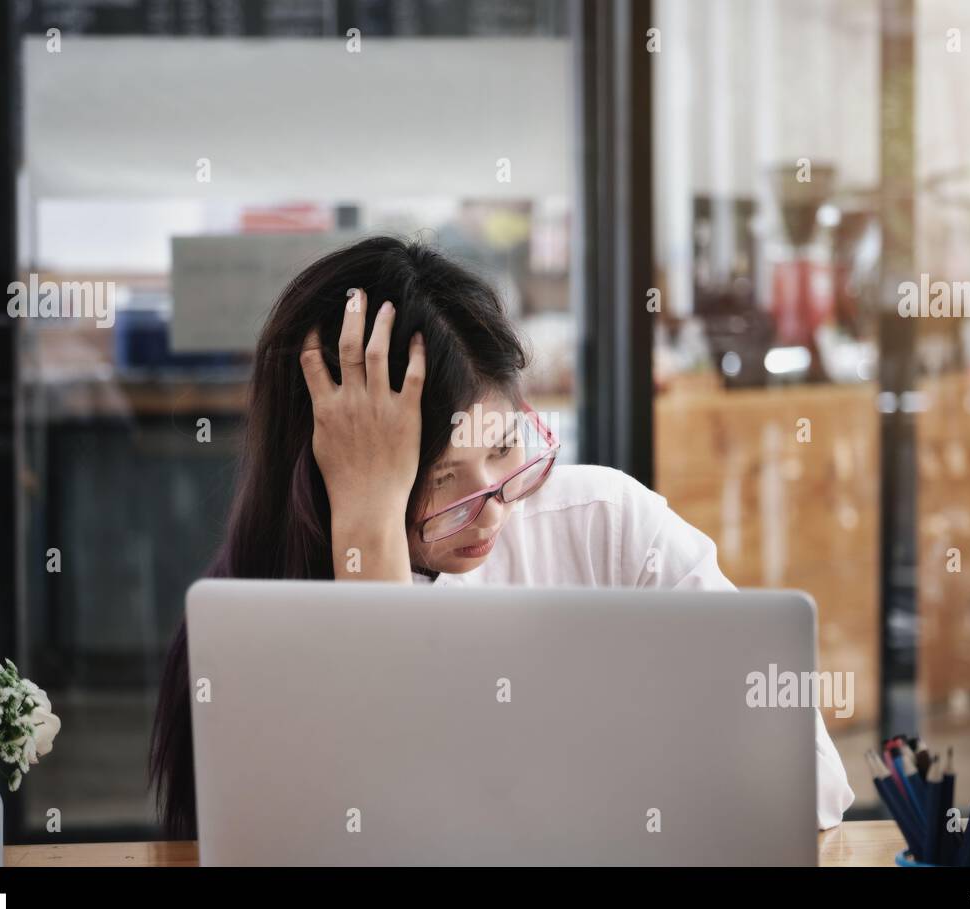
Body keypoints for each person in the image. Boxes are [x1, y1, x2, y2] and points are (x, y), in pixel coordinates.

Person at [149, 236, 854, 839]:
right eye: (439, 479)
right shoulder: (252, 629)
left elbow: (812, 781)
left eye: (506, 449)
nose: (488, 512)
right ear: (327, 472)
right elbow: (384, 835)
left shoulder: (605, 525)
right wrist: (367, 531)